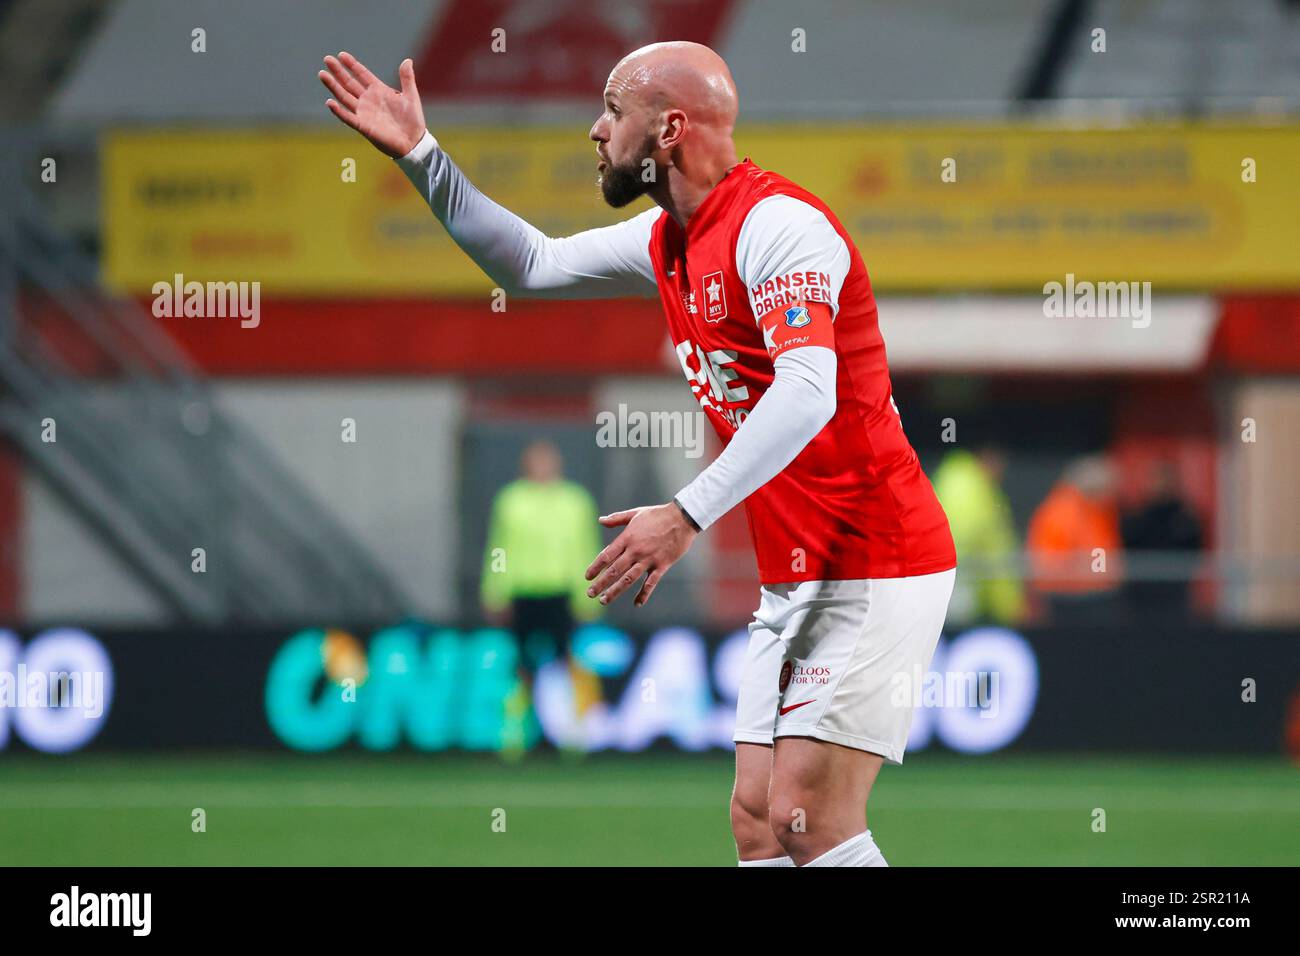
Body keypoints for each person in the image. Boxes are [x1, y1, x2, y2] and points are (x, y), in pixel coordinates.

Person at [319, 41, 955, 868]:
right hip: (798, 569)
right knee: (759, 825)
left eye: (613, 112)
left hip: (876, 556)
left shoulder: (779, 228)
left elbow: (809, 391)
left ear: (670, 130)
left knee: (808, 814)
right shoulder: (666, 239)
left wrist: (685, 513)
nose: (596, 129)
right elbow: (530, 262)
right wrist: (421, 156)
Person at [931, 445, 1025, 626]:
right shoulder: (980, 491)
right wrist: (1011, 608)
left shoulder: (948, 476)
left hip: (933, 586)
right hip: (962, 594)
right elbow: (994, 556)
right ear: (988, 456)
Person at [1026, 455, 1123, 624]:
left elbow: (1098, 551)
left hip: (1095, 596)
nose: (1109, 497)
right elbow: (1050, 565)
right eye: (1106, 490)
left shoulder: (1096, 512)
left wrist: (1103, 573)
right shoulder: (1061, 512)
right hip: (1068, 601)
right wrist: (1094, 572)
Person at [1120, 461, 1203, 620]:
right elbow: (1127, 548)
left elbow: (1195, 550)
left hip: (1175, 592)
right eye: (1157, 480)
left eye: (1166, 480)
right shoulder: (1138, 516)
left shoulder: (1185, 518)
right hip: (1140, 593)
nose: (1161, 485)